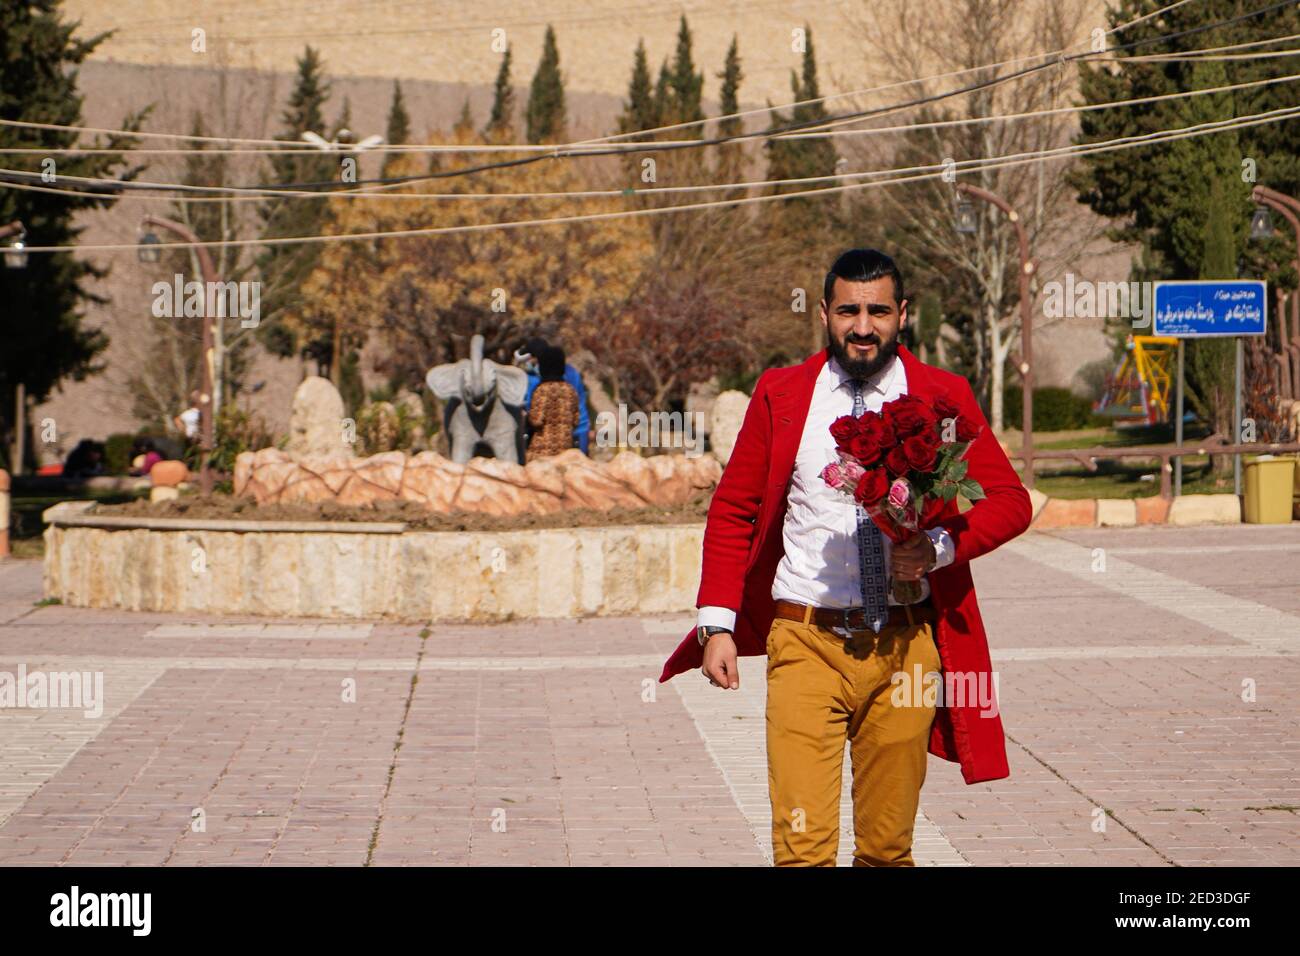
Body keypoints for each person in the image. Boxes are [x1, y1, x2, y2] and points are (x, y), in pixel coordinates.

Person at [658, 248, 1031, 866]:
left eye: (878, 310)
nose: (864, 326)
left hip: (905, 650)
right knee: (802, 850)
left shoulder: (941, 396)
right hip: (806, 642)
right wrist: (716, 626)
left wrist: (938, 548)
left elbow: (1010, 501)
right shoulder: (783, 395)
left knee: (887, 850)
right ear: (825, 313)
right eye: (849, 310)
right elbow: (733, 510)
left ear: (902, 314)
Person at [516, 336, 590, 454]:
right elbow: (576, 415)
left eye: (530, 359)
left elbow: (536, 419)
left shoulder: (541, 387)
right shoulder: (570, 383)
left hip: (545, 447)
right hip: (570, 438)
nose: (528, 363)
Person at [525, 346, 580, 462]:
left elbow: (536, 420)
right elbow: (576, 421)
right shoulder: (570, 390)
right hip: (565, 451)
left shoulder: (542, 390)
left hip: (542, 453)